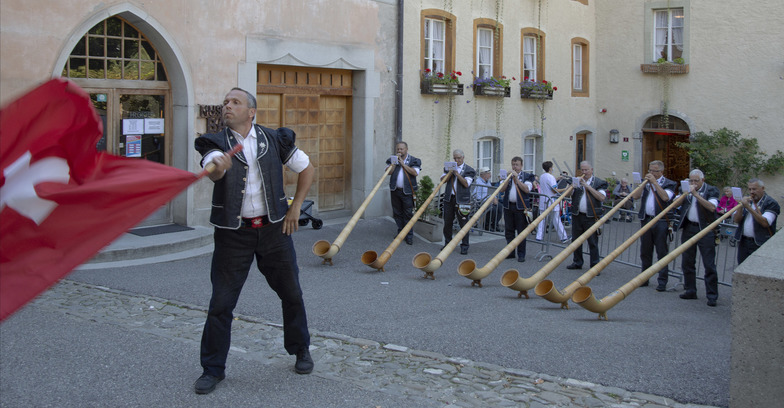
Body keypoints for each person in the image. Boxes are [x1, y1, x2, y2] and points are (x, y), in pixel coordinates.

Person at [193, 87, 315, 395]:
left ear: (251, 112)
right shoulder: (215, 143)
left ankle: (300, 348)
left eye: (235, 102)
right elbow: (214, 168)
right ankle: (212, 369)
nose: (227, 106)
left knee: (292, 293)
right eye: (225, 102)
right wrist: (217, 167)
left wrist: (296, 206)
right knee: (221, 302)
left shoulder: (275, 139)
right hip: (234, 235)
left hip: (274, 231)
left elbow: (307, 168)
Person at [631, 160, 678, 290]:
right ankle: (644, 278)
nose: (651, 173)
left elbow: (665, 198)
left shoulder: (669, 183)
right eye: (650, 170)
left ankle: (662, 281)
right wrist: (642, 184)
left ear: (661, 172)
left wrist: (655, 183)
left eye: (654, 171)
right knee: (645, 251)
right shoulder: (646, 183)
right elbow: (635, 196)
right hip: (646, 219)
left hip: (662, 221)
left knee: (662, 252)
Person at [676, 169, 720, 306]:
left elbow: (712, 207)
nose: (693, 183)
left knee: (709, 264)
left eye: (696, 181)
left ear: (703, 180)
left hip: (706, 229)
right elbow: (675, 204)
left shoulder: (711, 191)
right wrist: (684, 194)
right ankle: (690, 290)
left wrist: (695, 194)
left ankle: (712, 295)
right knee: (687, 261)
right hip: (689, 227)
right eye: (691, 180)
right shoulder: (686, 189)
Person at [566, 161, 608, 270]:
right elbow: (567, 195)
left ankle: (595, 266)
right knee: (576, 241)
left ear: (591, 170)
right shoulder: (577, 180)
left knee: (592, 242)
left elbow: (602, 197)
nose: (584, 172)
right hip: (577, 215)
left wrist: (587, 186)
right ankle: (577, 262)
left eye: (586, 170)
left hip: (591, 217)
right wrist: (572, 186)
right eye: (582, 170)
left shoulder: (599, 182)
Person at [733, 178, 780, 264]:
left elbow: (765, 223)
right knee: (741, 269)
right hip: (744, 242)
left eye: (754, 189)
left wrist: (748, 207)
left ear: (762, 188)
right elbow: (736, 220)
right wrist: (740, 206)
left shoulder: (771, 203)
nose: (751, 192)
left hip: (760, 243)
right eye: (750, 189)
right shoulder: (747, 201)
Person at [500, 156, 536, 262]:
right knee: (509, 231)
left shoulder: (528, 176)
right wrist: (507, 179)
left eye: (517, 165)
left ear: (521, 166)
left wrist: (517, 179)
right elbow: (502, 189)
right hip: (508, 206)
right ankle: (510, 252)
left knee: (521, 232)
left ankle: (521, 254)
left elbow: (526, 189)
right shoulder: (508, 176)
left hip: (520, 208)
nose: (515, 167)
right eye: (513, 165)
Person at [385, 141, 421, 245]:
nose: (399, 151)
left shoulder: (414, 160)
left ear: (406, 149)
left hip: (408, 191)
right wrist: (394, 164)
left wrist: (403, 163)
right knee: (397, 213)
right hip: (395, 190)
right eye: (398, 149)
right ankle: (401, 232)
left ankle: (409, 235)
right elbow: (389, 172)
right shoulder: (392, 159)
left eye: (401, 149)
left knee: (408, 214)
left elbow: (415, 173)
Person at [441, 149, 476, 255]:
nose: (456, 160)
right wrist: (450, 172)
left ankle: (464, 246)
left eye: (458, 158)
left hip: (463, 201)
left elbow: (466, 184)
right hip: (449, 199)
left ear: (463, 158)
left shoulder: (469, 170)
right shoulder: (448, 168)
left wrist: (456, 173)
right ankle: (448, 244)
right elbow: (442, 180)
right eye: (455, 158)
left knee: (463, 224)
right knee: (447, 223)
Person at [536, 161, 569, 243]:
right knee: (556, 219)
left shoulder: (542, 176)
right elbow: (554, 190)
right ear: (550, 168)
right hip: (551, 201)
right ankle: (563, 237)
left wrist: (558, 178)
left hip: (543, 200)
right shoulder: (550, 177)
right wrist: (565, 189)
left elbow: (549, 183)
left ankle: (539, 236)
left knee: (542, 219)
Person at [473, 166, 501, 231]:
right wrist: (487, 200)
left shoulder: (487, 182)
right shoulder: (478, 182)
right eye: (488, 173)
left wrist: (495, 198)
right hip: (481, 202)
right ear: (483, 174)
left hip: (490, 200)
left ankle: (495, 225)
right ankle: (487, 225)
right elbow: (475, 195)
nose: (490, 175)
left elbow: (491, 192)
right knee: (493, 209)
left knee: (500, 207)